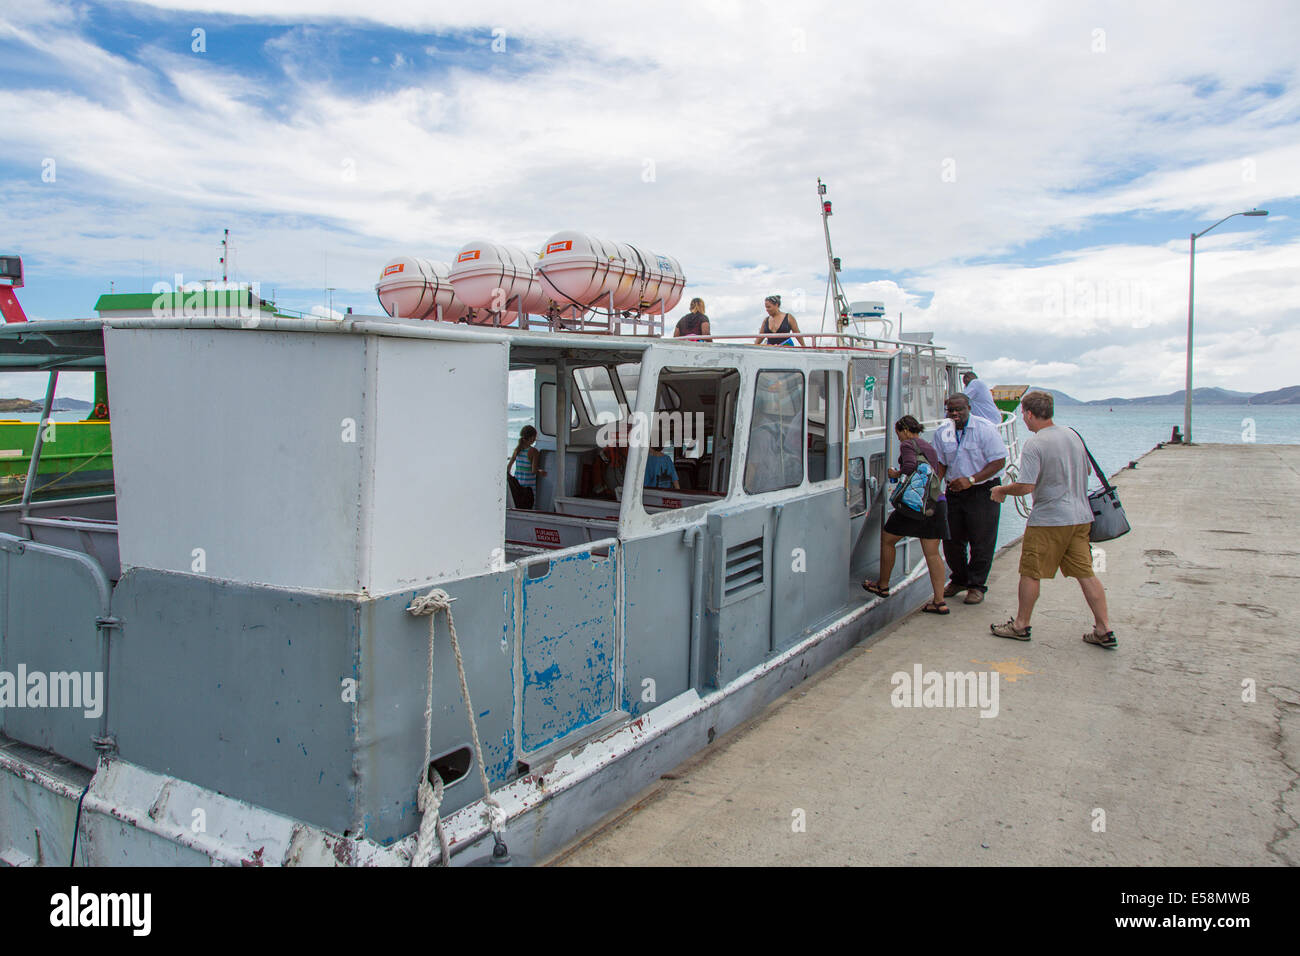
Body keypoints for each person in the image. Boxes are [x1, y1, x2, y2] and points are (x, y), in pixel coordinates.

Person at [988, 390, 1115, 648]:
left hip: (1048, 519)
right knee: (1086, 573)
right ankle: (1103, 629)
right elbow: (1087, 470)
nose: (1023, 419)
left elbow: (1025, 486)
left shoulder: (1035, 444)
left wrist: (1001, 490)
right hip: (1080, 517)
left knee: (1030, 572)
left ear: (1029, 414)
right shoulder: (1073, 435)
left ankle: (1021, 625)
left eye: (1023, 414)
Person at [862, 416, 950, 613]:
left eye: (898, 433)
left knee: (887, 538)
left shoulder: (908, 444)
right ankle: (939, 601)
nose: (899, 438)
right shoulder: (928, 446)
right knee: (933, 553)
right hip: (936, 503)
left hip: (915, 505)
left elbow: (910, 467)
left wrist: (896, 473)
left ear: (904, 430)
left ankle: (883, 585)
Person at [933, 393, 1007, 605]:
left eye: (959, 409)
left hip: (982, 490)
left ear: (969, 408)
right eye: (950, 410)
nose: (955, 414)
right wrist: (936, 488)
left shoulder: (985, 430)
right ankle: (959, 579)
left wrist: (972, 480)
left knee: (982, 540)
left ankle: (976, 585)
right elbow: (941, 462)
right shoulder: (942, 432)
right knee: (951, 540)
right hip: (954, 491)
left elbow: (998, 461)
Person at [507, 425, 545, 509]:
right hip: (529, 485)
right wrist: (541, 472)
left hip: (518, 484)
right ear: (531, 438)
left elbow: (508, 468)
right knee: (530, 504)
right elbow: (534, 470)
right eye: (535, 437)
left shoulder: (517, 449)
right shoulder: (533, 451)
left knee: (519, 504)